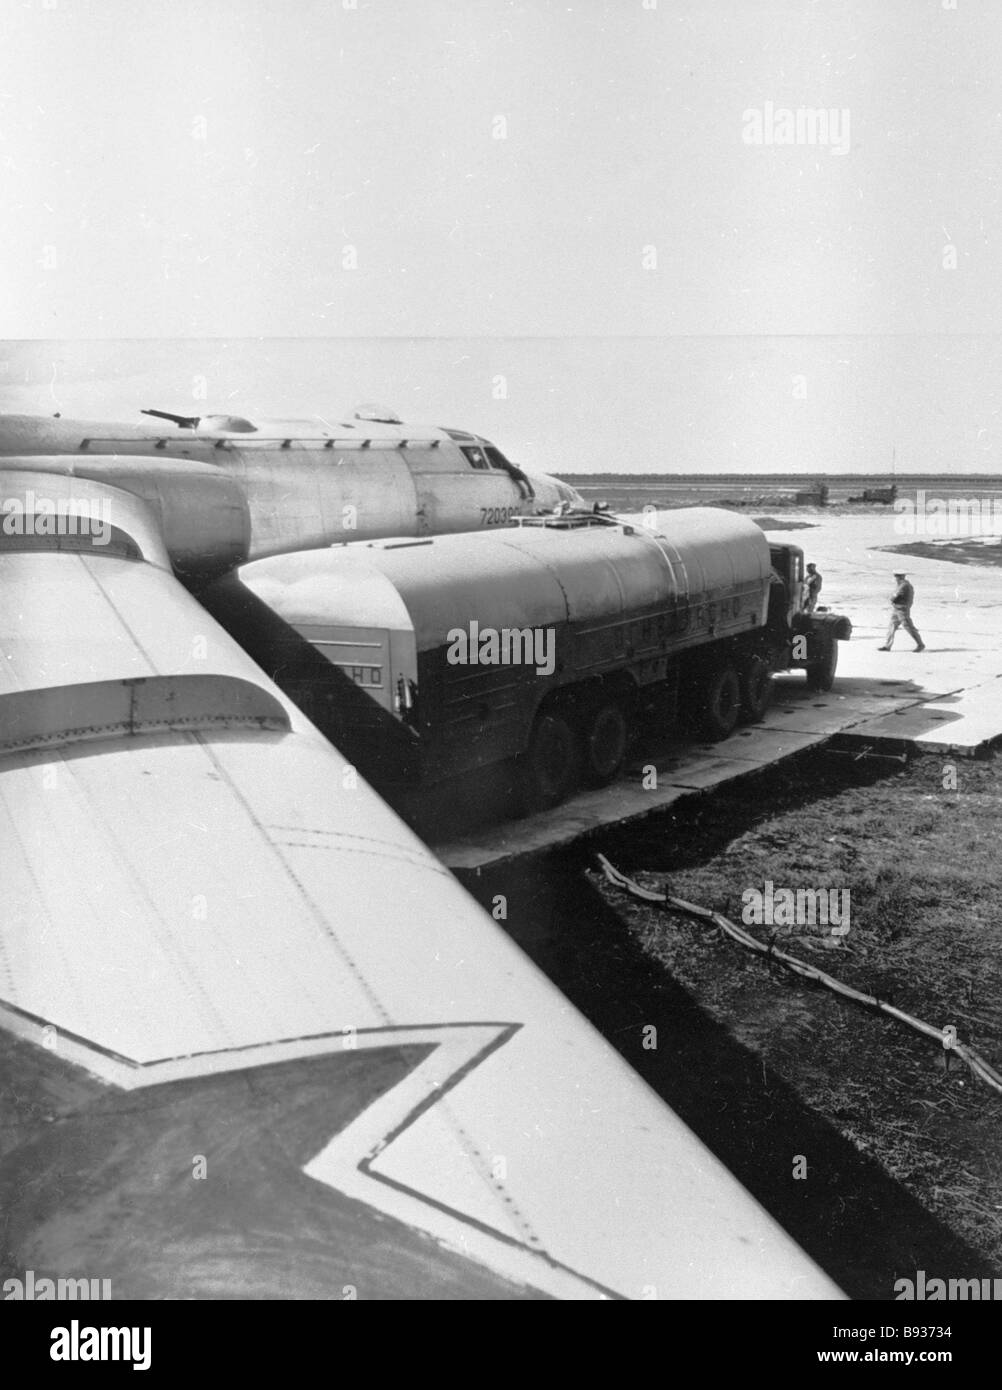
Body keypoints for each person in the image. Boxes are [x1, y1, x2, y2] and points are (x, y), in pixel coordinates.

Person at [878, 572, 925, 651]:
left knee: (908, 627)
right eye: (896, 576)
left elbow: (895, 596)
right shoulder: (902, 585)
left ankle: (920, 644)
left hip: (902, 609)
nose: (895, 578)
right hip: (897, 609)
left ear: (901, 577)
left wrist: (891, 599)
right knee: (891, 627)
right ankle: (887, 646)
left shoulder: (904, 585)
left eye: (897, 577)